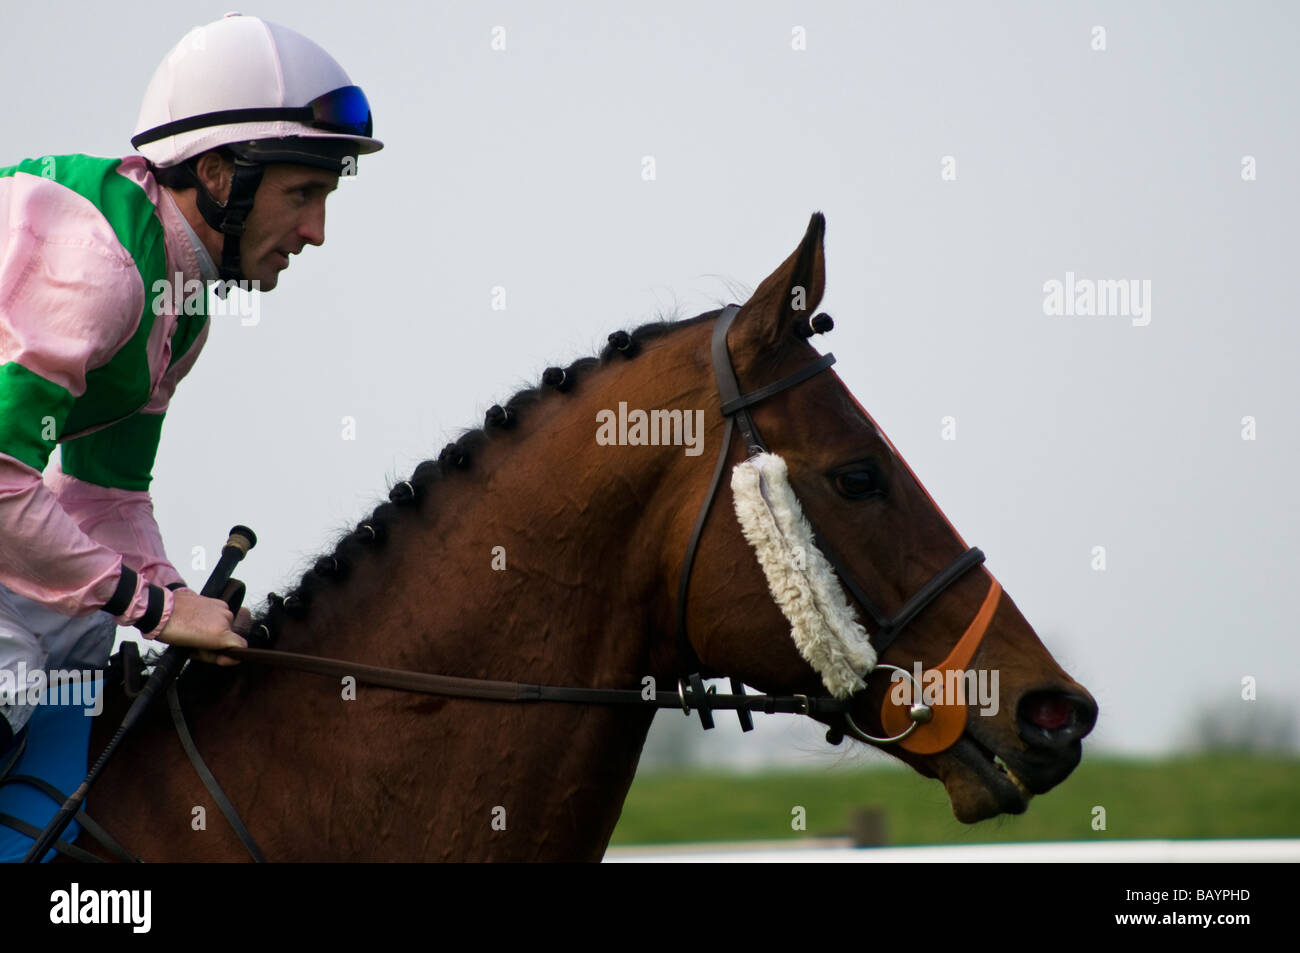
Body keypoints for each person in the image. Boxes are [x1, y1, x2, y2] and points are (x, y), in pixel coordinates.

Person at [0, 13, 381, 861]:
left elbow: (103, 496)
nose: (317, 231)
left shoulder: (185, 303)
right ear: (218, 175)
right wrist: (160, 609)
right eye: (303, 194)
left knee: (75, 642)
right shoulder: (100, 271)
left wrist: (181, 599)